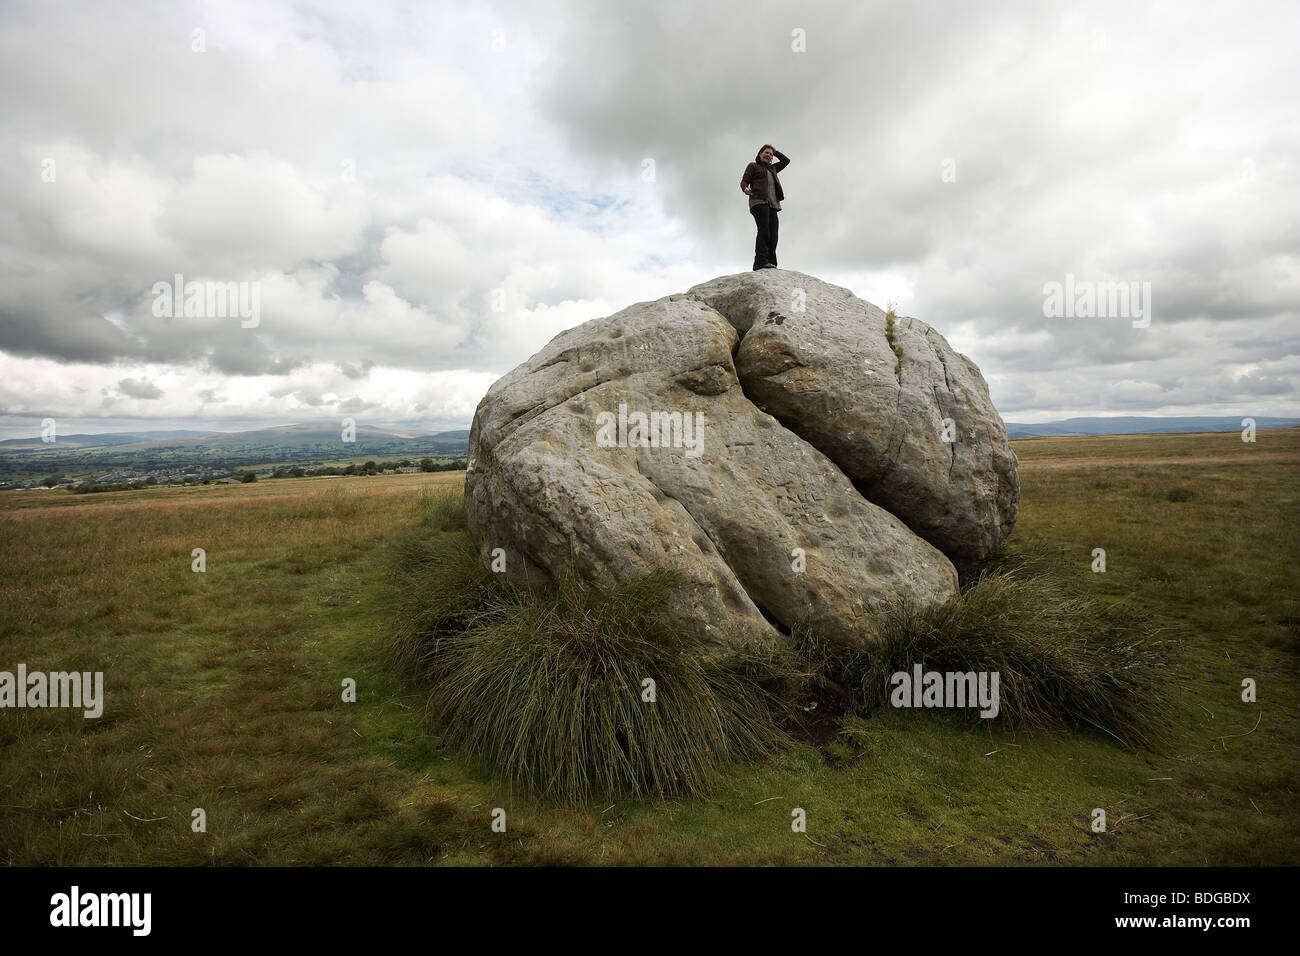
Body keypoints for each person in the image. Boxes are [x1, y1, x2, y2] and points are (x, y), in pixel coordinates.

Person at [740, 144, 789, 270]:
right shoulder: (753, 166)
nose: (769, 155)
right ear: (760, 153)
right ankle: (760, 262)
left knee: (774, 234)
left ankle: (771, 262)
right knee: (764, 231)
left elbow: (786, 161)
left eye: (771, 154)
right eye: (766, 152)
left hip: (773, 204)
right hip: (759, 201)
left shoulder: (773, 169)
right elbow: (744, 180)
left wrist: (775, 151)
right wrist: (745, 188)